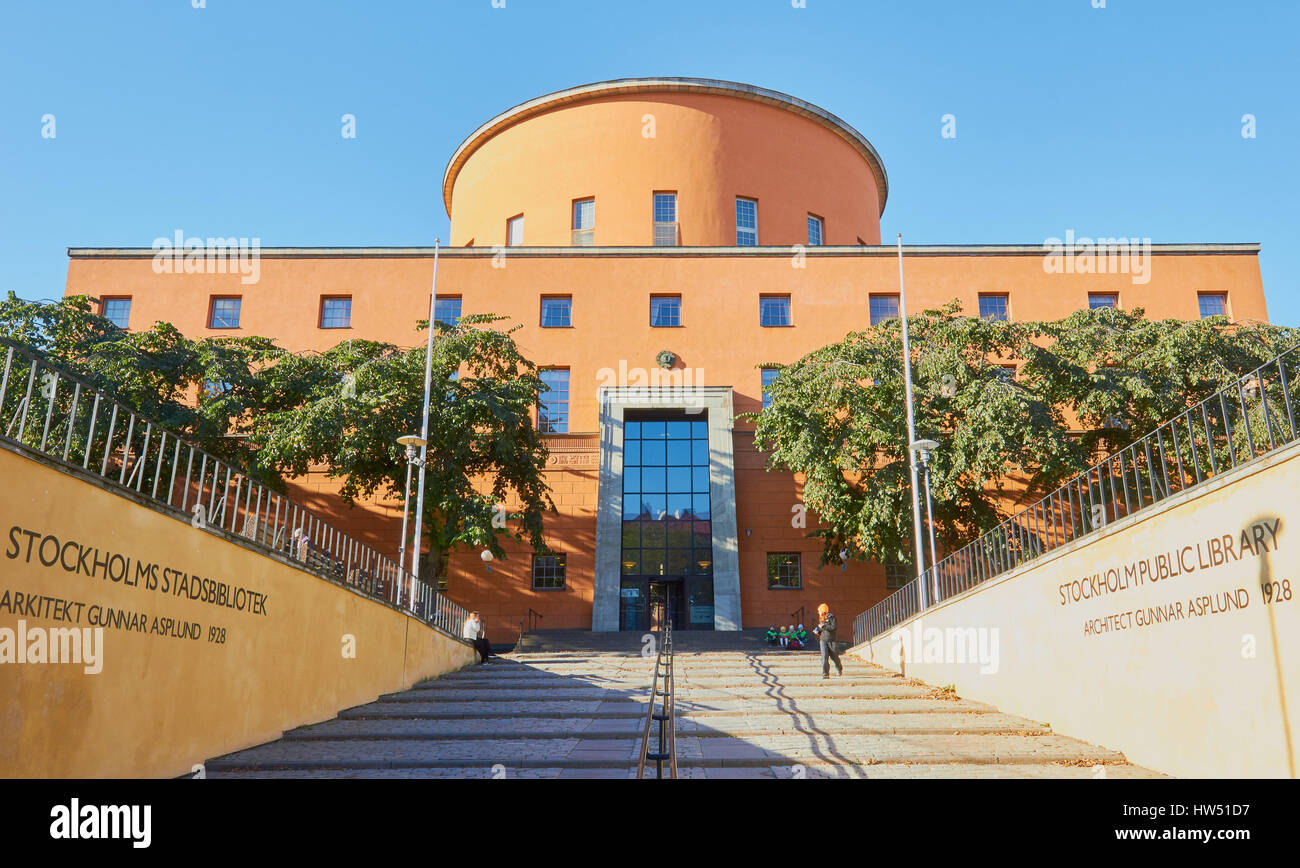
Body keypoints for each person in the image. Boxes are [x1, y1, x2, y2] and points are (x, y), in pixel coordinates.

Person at [812, 603, 843, 679]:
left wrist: (823, 626)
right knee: (824, 657)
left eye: (819, 610)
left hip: (832, 640)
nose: (818, 612)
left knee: (835, 657)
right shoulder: (821, 618)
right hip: (823, 640)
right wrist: (818, 632)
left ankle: (839, 668)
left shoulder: (831, 617)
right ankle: (825, 674)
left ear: (823, 610)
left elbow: (833, 627)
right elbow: (823, 631)